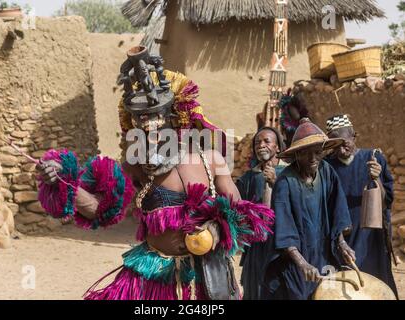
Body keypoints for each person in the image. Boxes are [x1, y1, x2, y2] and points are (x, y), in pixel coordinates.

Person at [36, 47, 274, 300]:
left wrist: (216, 229)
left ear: (175, 116)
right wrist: (64, 181)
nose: (149, 129)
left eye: (156, 119)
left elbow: (242, 214)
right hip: (154, 280)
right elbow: (100, 208)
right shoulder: (135, 166)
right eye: (141, 121)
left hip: (208, 280)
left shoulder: (211, 161)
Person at [263, 118, 355, 300]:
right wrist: (302, 264)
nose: (313, 158)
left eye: (317, 152)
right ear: (296, 155)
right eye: (306, 153)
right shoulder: (285, 183)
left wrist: (342, 243)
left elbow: (337, 211)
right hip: (294, 261)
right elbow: (284, 230)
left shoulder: (327, 172)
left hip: (323, 253)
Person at [325, 114, 398, 298]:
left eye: (345, 142)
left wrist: (376, 180)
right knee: (346, 288)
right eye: (336, 145)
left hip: (370, 238)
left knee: (375, 285)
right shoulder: (327, 167)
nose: (342, 149)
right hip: (342, 239)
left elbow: (385, 201)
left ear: (354, 136)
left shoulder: (373, 158)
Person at [236, 127, 287, 300]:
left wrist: (276, 181)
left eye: (266, 141)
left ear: (278, 147)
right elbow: (238, 208)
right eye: (257, 142)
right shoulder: (248, 178)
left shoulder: (290, 174)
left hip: (283, 245)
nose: (261, 145)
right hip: (257, 247)